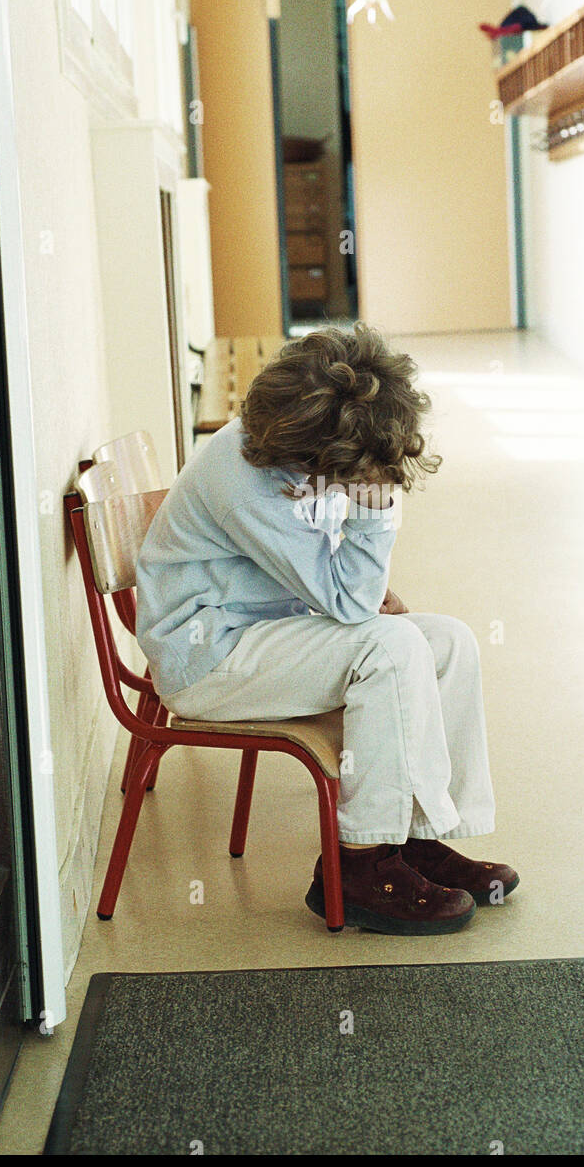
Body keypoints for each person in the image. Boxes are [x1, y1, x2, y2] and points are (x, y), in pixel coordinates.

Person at [135, 324, 518, 935]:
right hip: (206, 660)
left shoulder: (287, 448)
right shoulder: (245, 479)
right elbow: (347, 596)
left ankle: (416, 837)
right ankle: (361, 864)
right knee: (389, 647)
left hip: (264, 630)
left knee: (447, 640)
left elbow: (338, 584)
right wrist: (374, 509)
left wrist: (358, 583)